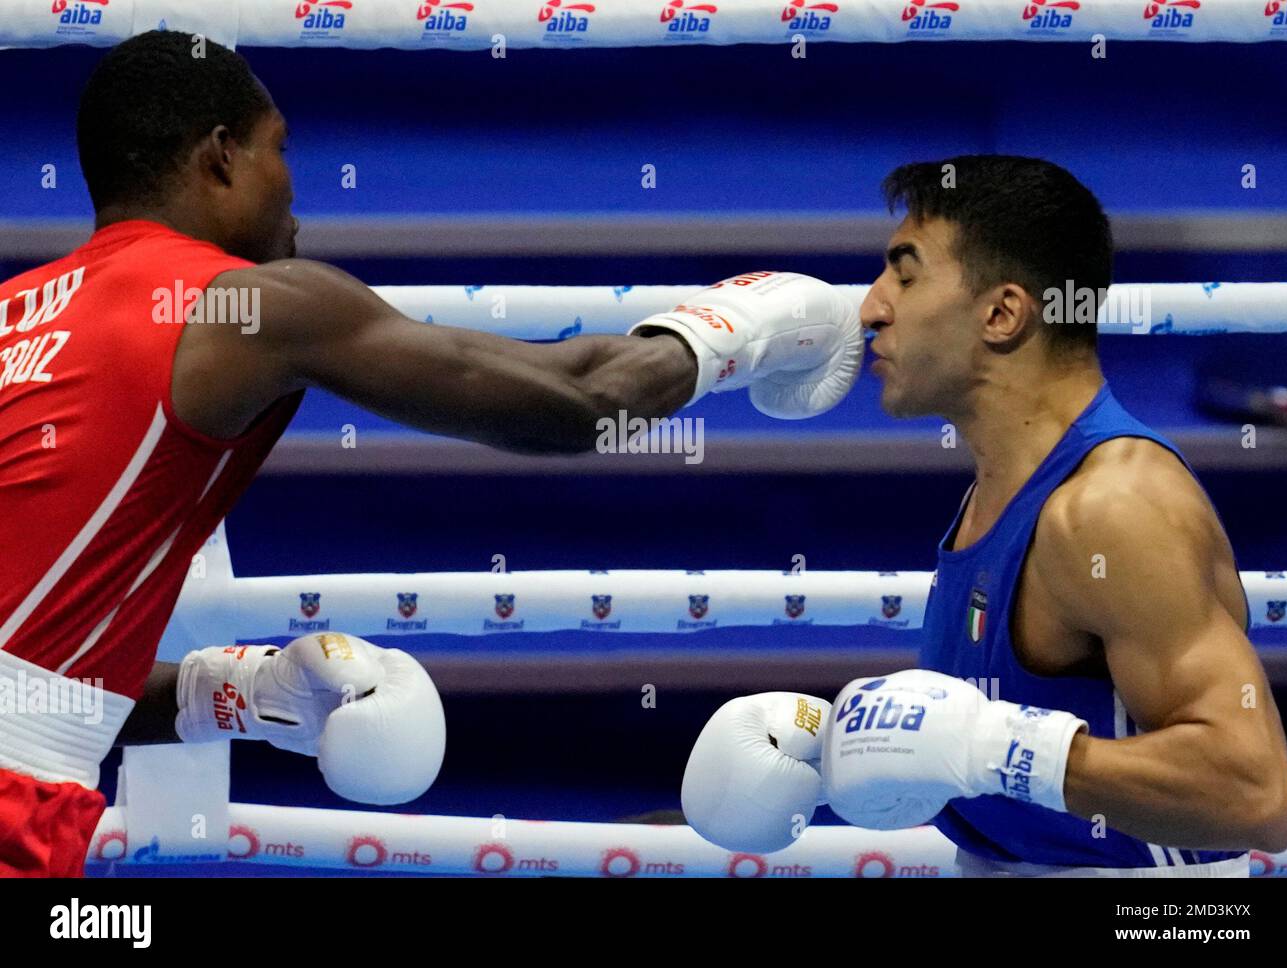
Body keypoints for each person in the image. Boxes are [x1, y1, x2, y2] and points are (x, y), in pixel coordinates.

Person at [0, 30, 863, 876]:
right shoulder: (248, 308)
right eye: (280, 150)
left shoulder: (16, 314)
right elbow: (577, 406)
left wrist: (234, 694)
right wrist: (727, 333)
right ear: (221, 156)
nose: (294, 192)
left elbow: (39, 687)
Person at [682, 155, 1287, 876]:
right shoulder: (1002, 486)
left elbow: (1256, 796)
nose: (871, 308)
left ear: (1002, 314)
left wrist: (997, 748)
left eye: (905, 275)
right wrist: (839, 758)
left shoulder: (1113, 508)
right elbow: (990, 764)